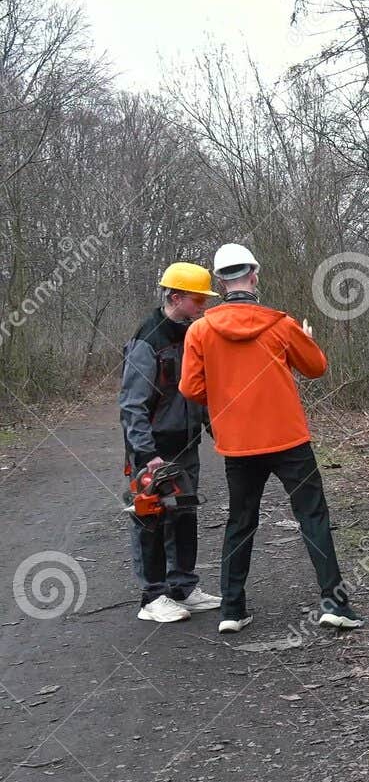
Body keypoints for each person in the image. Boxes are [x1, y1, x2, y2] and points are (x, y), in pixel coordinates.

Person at [178, 243, 362, 635]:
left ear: (219, 283)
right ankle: (335, 605)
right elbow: (316, 367)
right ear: (254, 276)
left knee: (240, 522)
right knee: (312, 518)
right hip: (288, 439)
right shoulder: (280, 324)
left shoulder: (200, 330)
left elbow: (191, 389)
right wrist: (306, 339)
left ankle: (231, 610)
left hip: (238, 444)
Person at [119, 262, 223, 623]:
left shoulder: (194, 335)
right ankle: (153, 597)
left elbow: (201, 391)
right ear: (175, 297)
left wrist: (215, 429)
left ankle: (182, 587)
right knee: (151, 517)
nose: (204, 306)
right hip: (154, 449)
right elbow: (132, 405)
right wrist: (145, 454)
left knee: (184, 514)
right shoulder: (147, 341)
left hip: (185, 444)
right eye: (198, 300)